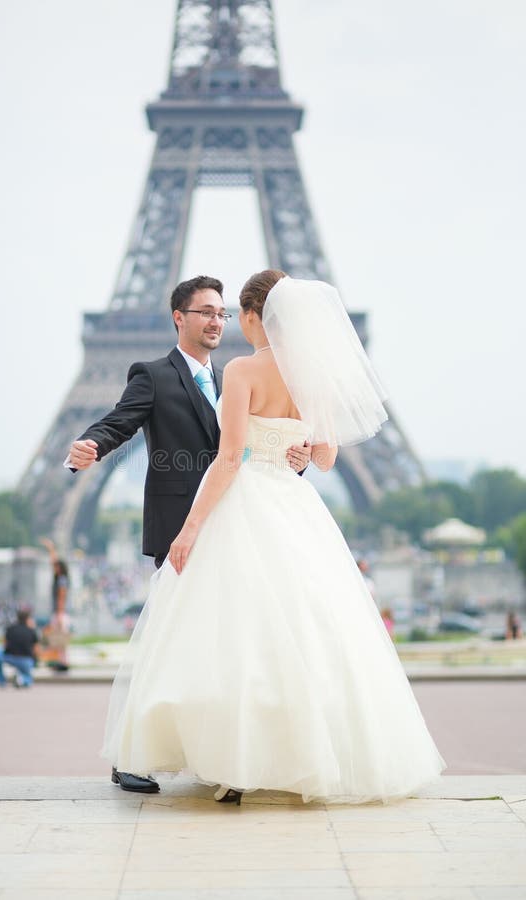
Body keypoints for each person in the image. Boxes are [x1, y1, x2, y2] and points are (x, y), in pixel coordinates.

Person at [101, 269, 445, 806]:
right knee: (303, 632)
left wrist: (189, 529)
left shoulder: (241, 370)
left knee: (227, 632)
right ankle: (298, 757)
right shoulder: (312, 375)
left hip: (244, 506)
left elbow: (230, 457)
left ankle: (232, 762)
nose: (237, 325)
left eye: (241, 315)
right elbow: (324, 456)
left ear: (259, 316)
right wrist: (302, 449)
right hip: (295, 507)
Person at [67, 274, 311, 793]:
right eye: (205, 312)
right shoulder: (152, 375)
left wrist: (297, 457)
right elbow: (120, 421)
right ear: (179, 317)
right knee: (167, 639)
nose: (216, 321)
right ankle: (132, 756)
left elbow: (262, 448)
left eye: (221, 312)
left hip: (239, 525)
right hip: (181, 524)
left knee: (223, 644)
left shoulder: (238, 376)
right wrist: (91, 443)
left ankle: (216, 754)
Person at [40, 538, 71, 671]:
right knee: (58, 639)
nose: (54, 568)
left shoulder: (62, 581)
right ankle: (61, 661)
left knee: (59, 639)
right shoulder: (61, 578)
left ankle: (62, 662)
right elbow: (53, 562)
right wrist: (51, 549)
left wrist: (59, 614)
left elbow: (61, 598)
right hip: (60, 612)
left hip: (60, 612)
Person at [0, 608, 39, 688]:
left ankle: (1, 680)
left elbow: (4, 645)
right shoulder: (32, 631)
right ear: (27, 619)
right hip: (26, 660)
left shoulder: (10, 629)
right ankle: (21, 680)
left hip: (10, 658)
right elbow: (36, 650)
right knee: (28, 678)